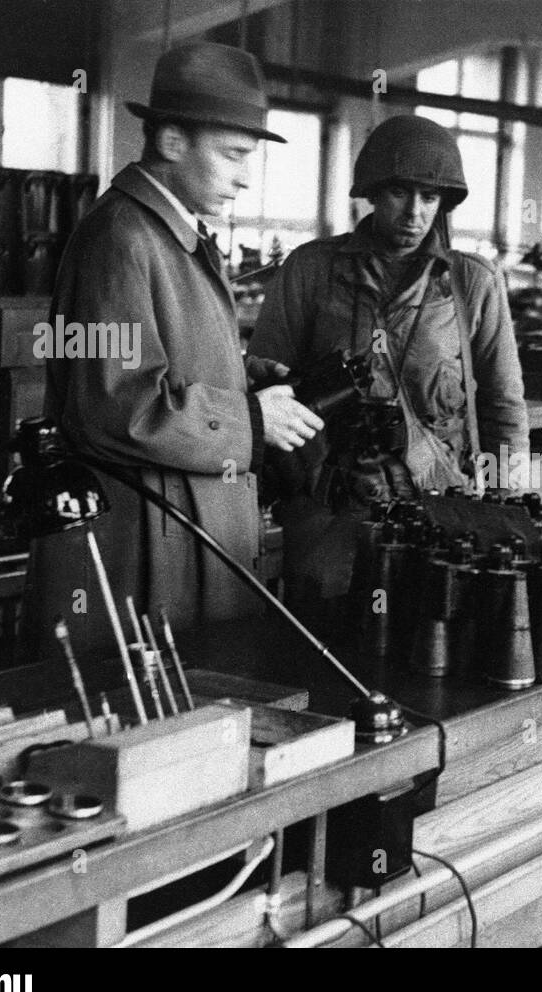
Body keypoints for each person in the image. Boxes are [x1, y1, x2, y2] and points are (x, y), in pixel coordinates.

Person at [22, 42, 323, 657]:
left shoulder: (170, 235)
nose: (245, 175)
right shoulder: (121, 238)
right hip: (144, 548)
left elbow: (167, 363)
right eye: (234, 154)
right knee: (141, 727)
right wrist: (254, 418)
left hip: (184, 529)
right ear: (172, 142)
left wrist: (248, 377)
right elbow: (117, 407)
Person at [248, 113, 529, 625]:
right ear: (374, 193)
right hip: (329, 516)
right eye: (401, 193)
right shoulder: (311, 270)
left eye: (431, 197)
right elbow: (264, 386)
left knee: (432, 650)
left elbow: (503, 407)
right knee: (319, 650)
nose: (415, 213)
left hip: (439, 515)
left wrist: (501, 508)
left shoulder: (473, 284)